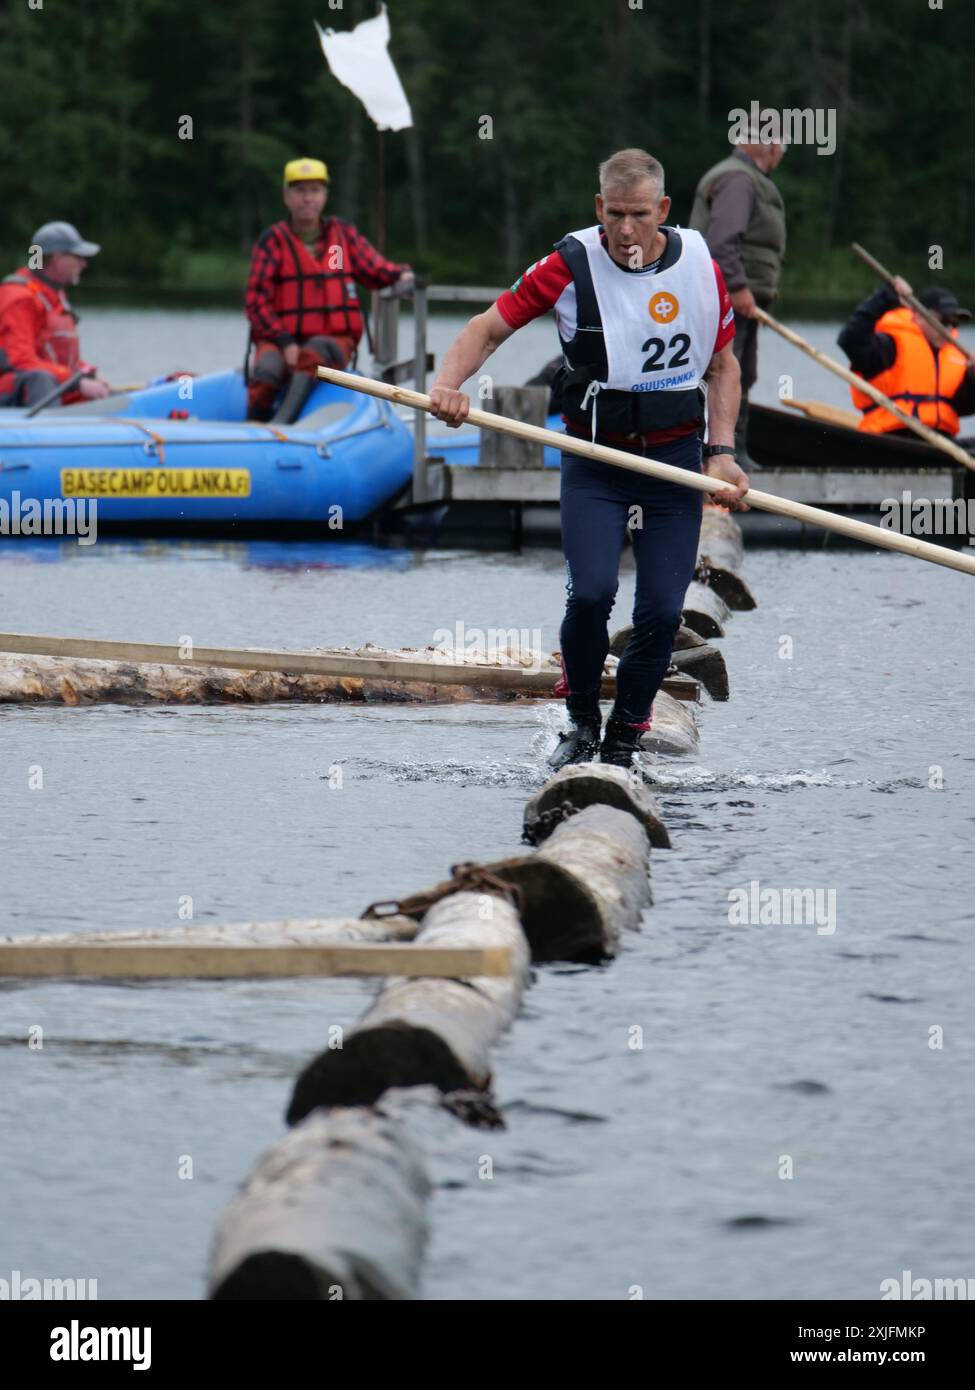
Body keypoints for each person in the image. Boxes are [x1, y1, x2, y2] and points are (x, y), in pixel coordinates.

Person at [428, 148, 748, 769]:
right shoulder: (569, 264)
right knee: (591, 593)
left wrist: (722, 453)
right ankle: (579, 720)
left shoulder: (700, 269)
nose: (626, 231)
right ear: (599, 207)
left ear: (663, 210)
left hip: (674, 462)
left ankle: (626, 734)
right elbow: (487, 329)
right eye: (615, 215)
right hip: (594, 458)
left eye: (639, 216)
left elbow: (722, 365)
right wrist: (450, 384)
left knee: (659, 608)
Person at [244, 157, 413, 421]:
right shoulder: (272, 242)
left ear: (324, 196)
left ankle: (280, 427)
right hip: (281, 339)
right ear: (287, 196)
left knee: (313, 354)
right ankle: (251, 430)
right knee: (266, 370)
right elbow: (256, 303)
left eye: (314, 190)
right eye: (300, 191)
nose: (307, 198)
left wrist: (401, 273)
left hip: (333, 340)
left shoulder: (343, 235)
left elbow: (376, 270)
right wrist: (285, 342)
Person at [689, 123, 786, 461]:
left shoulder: (745, 179)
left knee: (744, 369)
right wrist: (739, 288)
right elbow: (721, 242)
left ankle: (735, 448)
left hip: (738, 299)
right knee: (726, 369)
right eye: (780, 147)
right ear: (770, 147)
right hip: (727, 299)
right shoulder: (739, 180)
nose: (780, 156)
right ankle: (720, 450)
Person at [838, 277, 975, 436]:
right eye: (944, 321)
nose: (949, 329)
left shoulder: (956, 358)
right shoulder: (890, 346)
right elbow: (851, 340)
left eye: (955, 323)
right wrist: (884, 297)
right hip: (891, 440)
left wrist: (972, 379)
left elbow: (963, 407)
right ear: (918, 317)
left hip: (940, 443)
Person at [0, 222, 111, 408]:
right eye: (78, 257)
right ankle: (43, 433)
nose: (84, 264)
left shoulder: (53, 295)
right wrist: (77, 382)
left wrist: (86, 374)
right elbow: (22, 361)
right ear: (58, 258)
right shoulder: (20, 298)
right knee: (40, 379)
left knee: (111, 395)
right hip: (19, 392)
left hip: (54, 389)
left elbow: (59, 361)